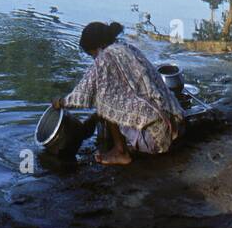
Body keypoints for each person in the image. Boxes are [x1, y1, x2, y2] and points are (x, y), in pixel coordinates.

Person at [52, 20, 185, 166]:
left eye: (92, 55)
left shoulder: (105, 58)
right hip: (176, 125)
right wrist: (95, 118)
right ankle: (119, 141)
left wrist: (60, 102)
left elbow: (82, 96)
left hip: (155, 140)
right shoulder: (128, 48)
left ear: (99, 46)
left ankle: (121, 152)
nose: (94, 59)